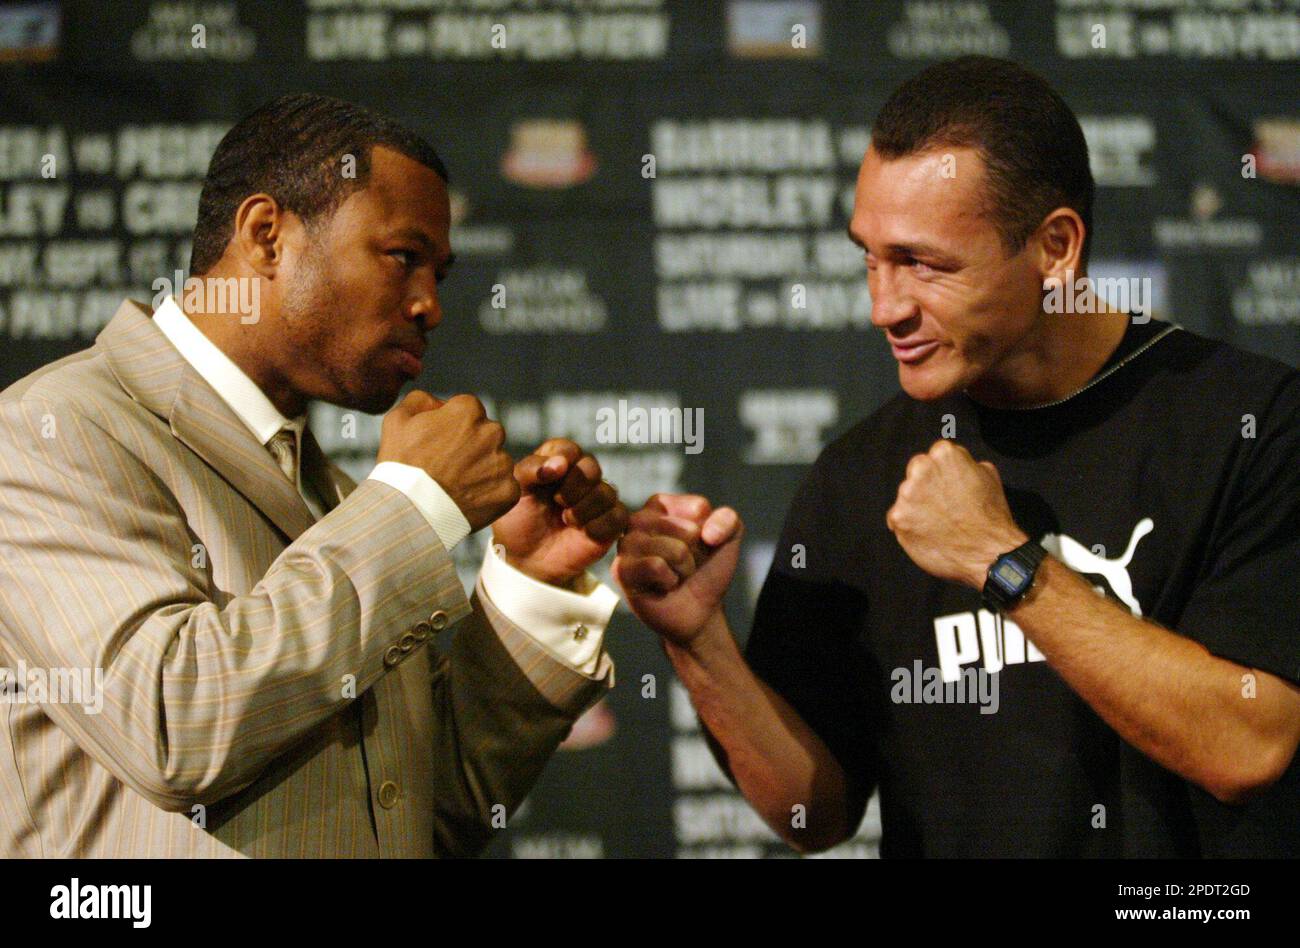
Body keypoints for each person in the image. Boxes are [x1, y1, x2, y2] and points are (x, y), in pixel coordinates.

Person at [614, 56, 1300, 857]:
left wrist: (1002, 561)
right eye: (869, 257)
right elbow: (814, 813)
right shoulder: (859, 476)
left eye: (924, 264)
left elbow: (1249, 746)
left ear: (1055, 247)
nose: (884, 306)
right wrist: (700, 647)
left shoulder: (1253, 424)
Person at [0, 93, 628, 857]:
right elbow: (170, 721)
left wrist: (530, 585)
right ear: (267, 236)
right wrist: (415, 507)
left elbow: (420, 811)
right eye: (403, 257)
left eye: (440, 272)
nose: (430, 305)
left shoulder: (327, 491)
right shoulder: (49, 431)